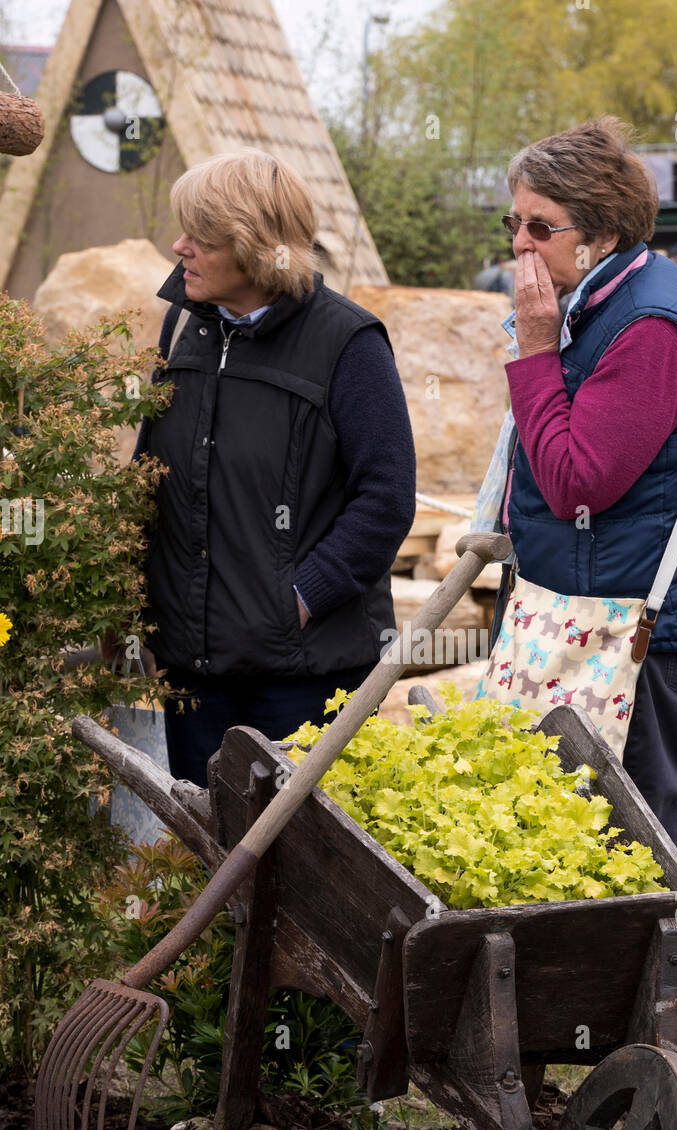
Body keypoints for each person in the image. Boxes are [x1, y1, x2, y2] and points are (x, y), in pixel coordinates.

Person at [488, 116, 677, 1117]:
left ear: (600, 228)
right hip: (603, 620)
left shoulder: (650, 327)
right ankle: (623, 1088)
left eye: (539, 226)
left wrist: (534, 350)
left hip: (659, 637)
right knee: (604, 854)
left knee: (655, 871)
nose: (520, 247)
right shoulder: (596, 298)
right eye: (514, 224)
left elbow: (580, 475)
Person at [126, 148, 416, 786]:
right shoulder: (183, 327)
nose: (179, 247)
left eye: (199, 236)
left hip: (302, 675)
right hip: (194, 671)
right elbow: (152, 470)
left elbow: (386, 498)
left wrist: (298, 602)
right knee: (211, 849)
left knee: (304, 868)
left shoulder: (348, 343)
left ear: (253, 246)